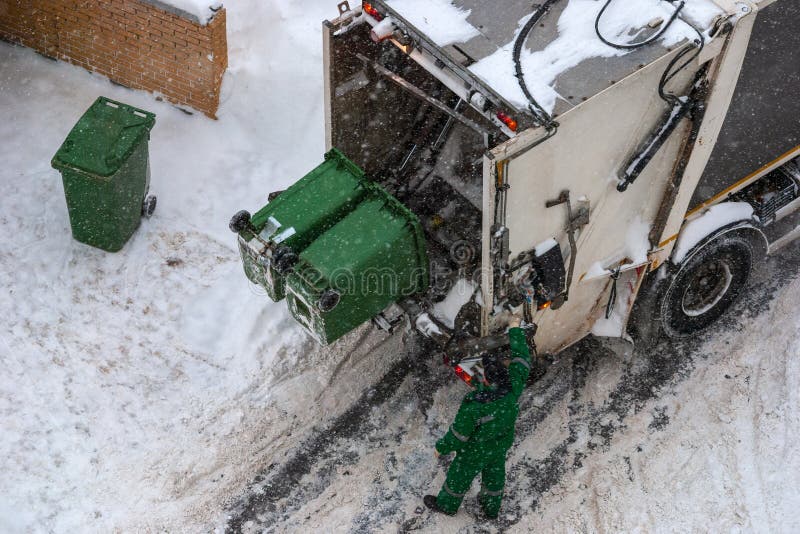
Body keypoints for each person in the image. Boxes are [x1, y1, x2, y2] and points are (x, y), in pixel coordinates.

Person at [424, 316, 532, 518]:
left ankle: (447, 505)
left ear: (486, 379)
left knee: (459, 475)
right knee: (494, 475)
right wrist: (515, 330)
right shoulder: (514, 386)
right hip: (500, 444)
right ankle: (490, 509)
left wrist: (441, 448)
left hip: (475, 450)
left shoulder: (476, 407)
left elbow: (458, 436)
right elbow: (522, 358)